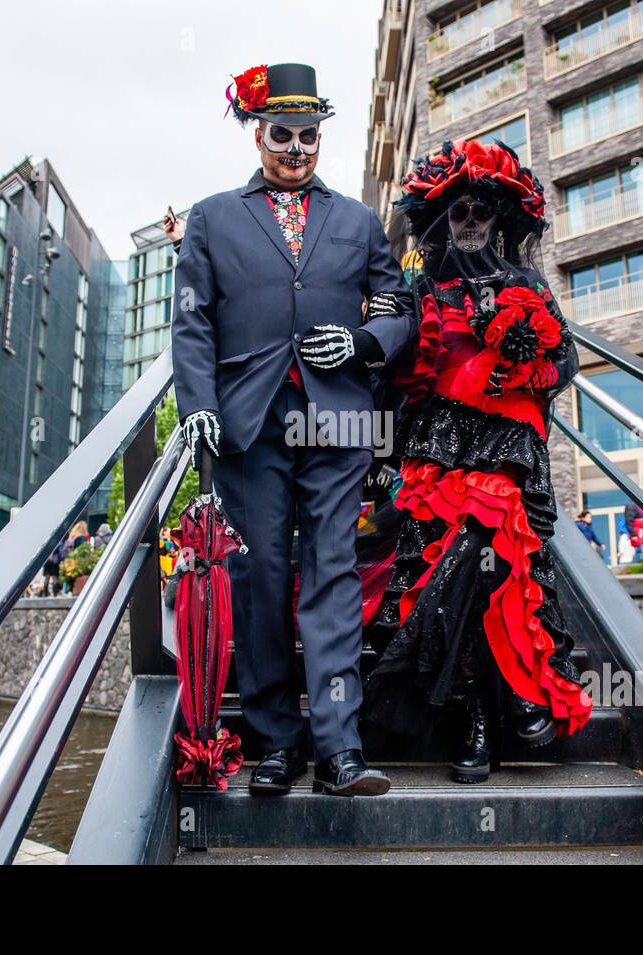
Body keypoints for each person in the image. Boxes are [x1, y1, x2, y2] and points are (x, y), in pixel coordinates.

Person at [172, 61, 415, 798]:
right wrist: (197, 405)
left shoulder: (358, 219)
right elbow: (191, 320)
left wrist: (367, 343)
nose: (298, 148)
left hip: (337, 419)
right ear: (257, 133)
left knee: (334, 573)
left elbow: (395, 301)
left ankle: (341, 747)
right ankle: (278, 742)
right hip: (248, 422)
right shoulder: (212, 218)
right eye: (284, 134)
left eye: (310, 136)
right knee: (262, 576)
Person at [363, 138, 592, 785]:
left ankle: (502, 707)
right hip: (435, 447)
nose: (469, 220)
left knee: (485, 541)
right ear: (443, 216)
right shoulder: (421, 286)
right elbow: (397, 368)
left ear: (501, 217)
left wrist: (517, 350)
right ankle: (483, 714)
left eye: (481, 210)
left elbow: (560, 365)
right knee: (462, 566)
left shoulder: (528, 285)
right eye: (458, 209)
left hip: (506, 448)